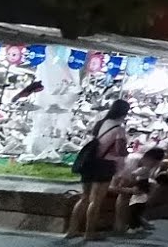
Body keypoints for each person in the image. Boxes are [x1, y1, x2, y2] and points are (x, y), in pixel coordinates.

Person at [67, 99, 130, 241]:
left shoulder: (102, 123)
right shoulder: (119, 129)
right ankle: (89, 233)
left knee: (84, 198)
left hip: (89, 163)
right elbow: (120, 151)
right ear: (125, 112)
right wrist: (127, 152)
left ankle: (72, 230)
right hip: (104, 165)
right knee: (95, 201)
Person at [112, 147, 166, 234]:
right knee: (127, 195)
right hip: (116, 180)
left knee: (151, 187)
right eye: (153, 164)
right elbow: (118, 183)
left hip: (130, 181)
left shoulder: (146, 165)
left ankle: (137, 218)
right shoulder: (133, 161)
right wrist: (131, 190)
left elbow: (144, 180)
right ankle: (120, 224)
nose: (152, 167)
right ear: (149, 158)